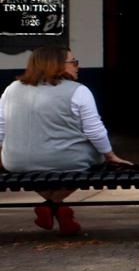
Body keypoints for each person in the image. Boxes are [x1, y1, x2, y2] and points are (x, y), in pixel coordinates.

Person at [0, 45, 132, 236]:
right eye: (73, 62)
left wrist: (2, 155)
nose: (77, 66)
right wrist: (110, 155)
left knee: (35, 167)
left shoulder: (11, 89)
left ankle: (56, 208)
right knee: (96, 159)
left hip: (16, 162)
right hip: (68, 161)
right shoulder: (79, 91)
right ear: (56, 65)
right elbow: (95, 131)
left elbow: (1, 127)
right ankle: (55, 205)